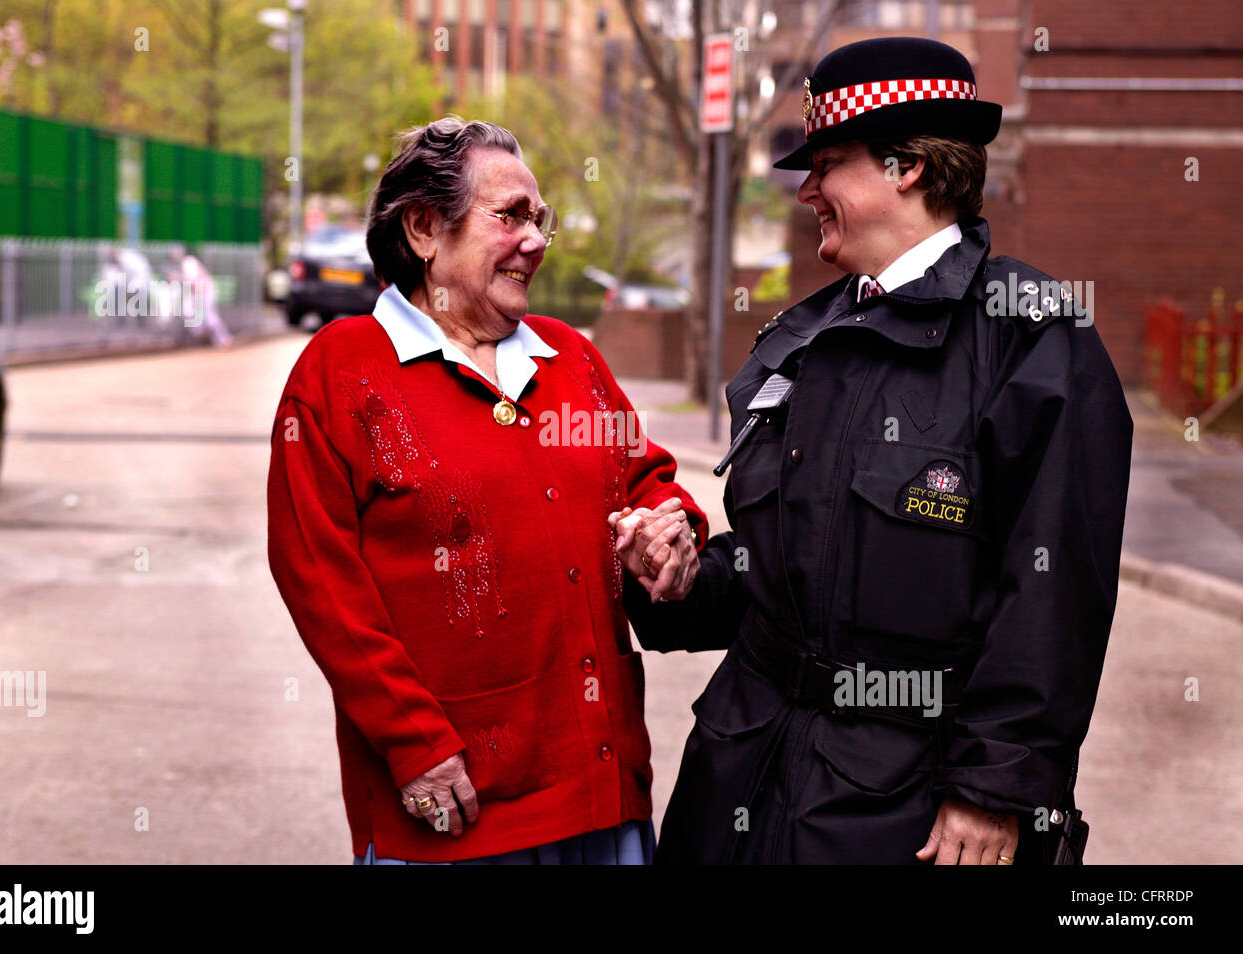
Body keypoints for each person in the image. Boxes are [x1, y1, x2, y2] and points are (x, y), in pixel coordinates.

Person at [616, 36, 1133, 865]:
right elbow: (778, 571)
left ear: (908, 166)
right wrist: (677, 581)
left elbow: (1053, 596)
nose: (807, 190)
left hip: (907, 814)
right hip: (744, 784)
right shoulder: (800, 338)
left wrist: (995, 791)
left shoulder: (1032, 338)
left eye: (829, 163)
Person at [266, 117, 706, 864]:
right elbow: (316, 575)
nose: (535, 240)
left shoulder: (569, 357)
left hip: (600, 794)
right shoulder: (342, 372)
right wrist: (413, 742)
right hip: (454, 810)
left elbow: (647, 479)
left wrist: (671, 533)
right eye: (510, 217)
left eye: (541, 219)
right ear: (424, 228)